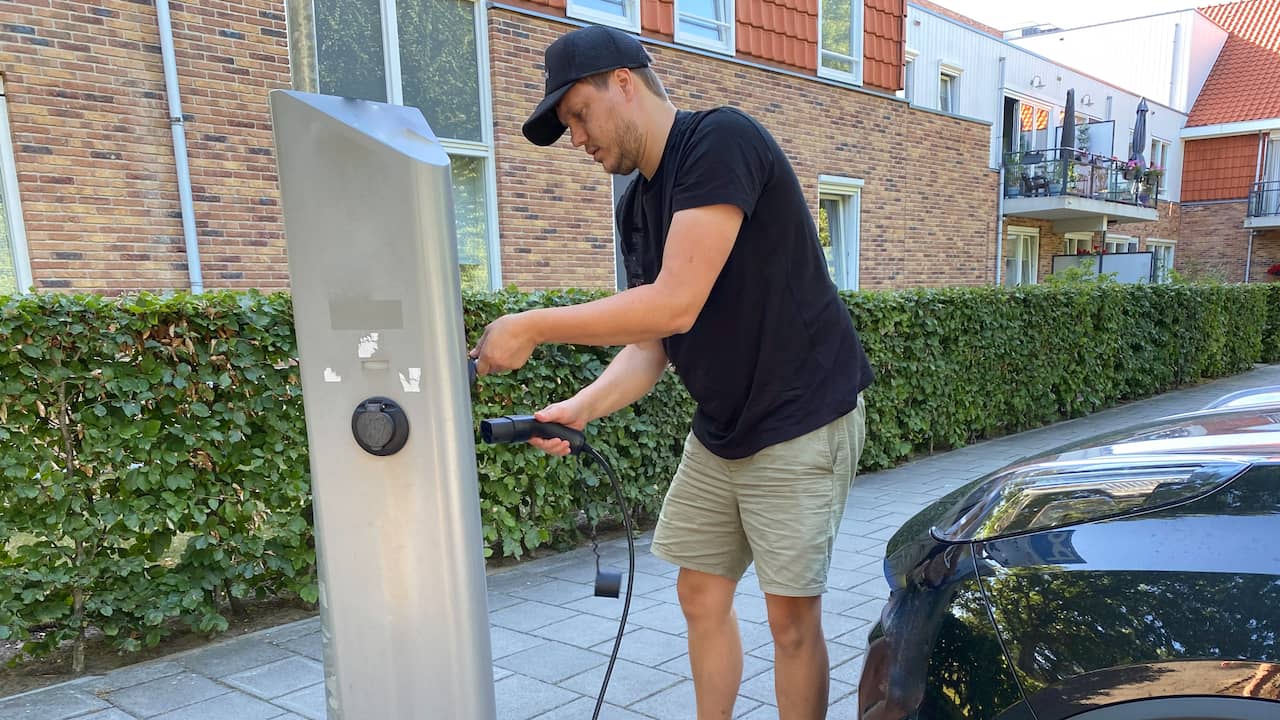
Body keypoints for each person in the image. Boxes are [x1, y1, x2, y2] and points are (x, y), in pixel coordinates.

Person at [470, 24, 874, 719]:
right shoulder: (636, 203)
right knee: (699, 593)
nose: (577, 139)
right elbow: (655, 339)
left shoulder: (720, 140)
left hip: (803, 413)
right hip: (723, 426)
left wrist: (532, 325)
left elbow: (676, 301)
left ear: (624, 83)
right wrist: (583, 407)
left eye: (579, 115)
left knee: (790, 619)